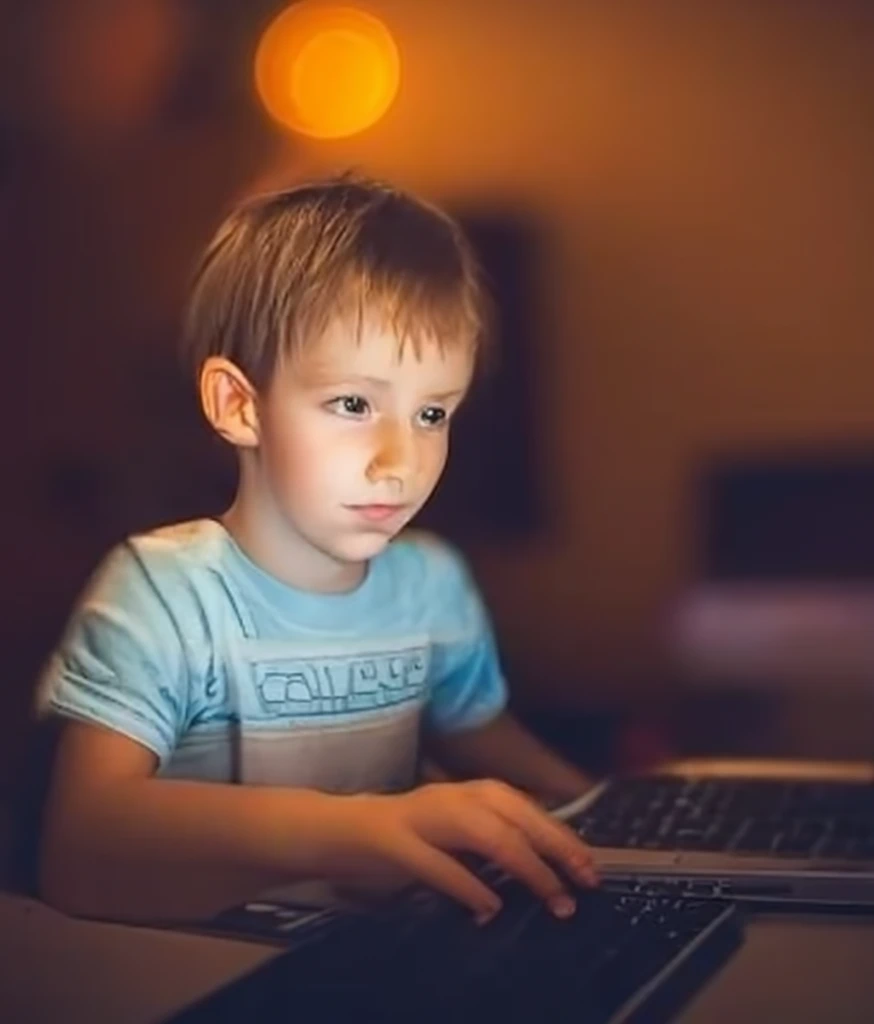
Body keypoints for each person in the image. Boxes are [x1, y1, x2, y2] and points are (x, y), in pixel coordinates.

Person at [33, 173, 598, 926]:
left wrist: (602, 810)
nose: (400, 459)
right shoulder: (166, 590)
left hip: (396, 951)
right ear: (239, 405)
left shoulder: (432, 581)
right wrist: (356, 829)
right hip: (206, 970)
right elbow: (78, 848)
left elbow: (475, 734)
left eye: (432, 412)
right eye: (354, 404)